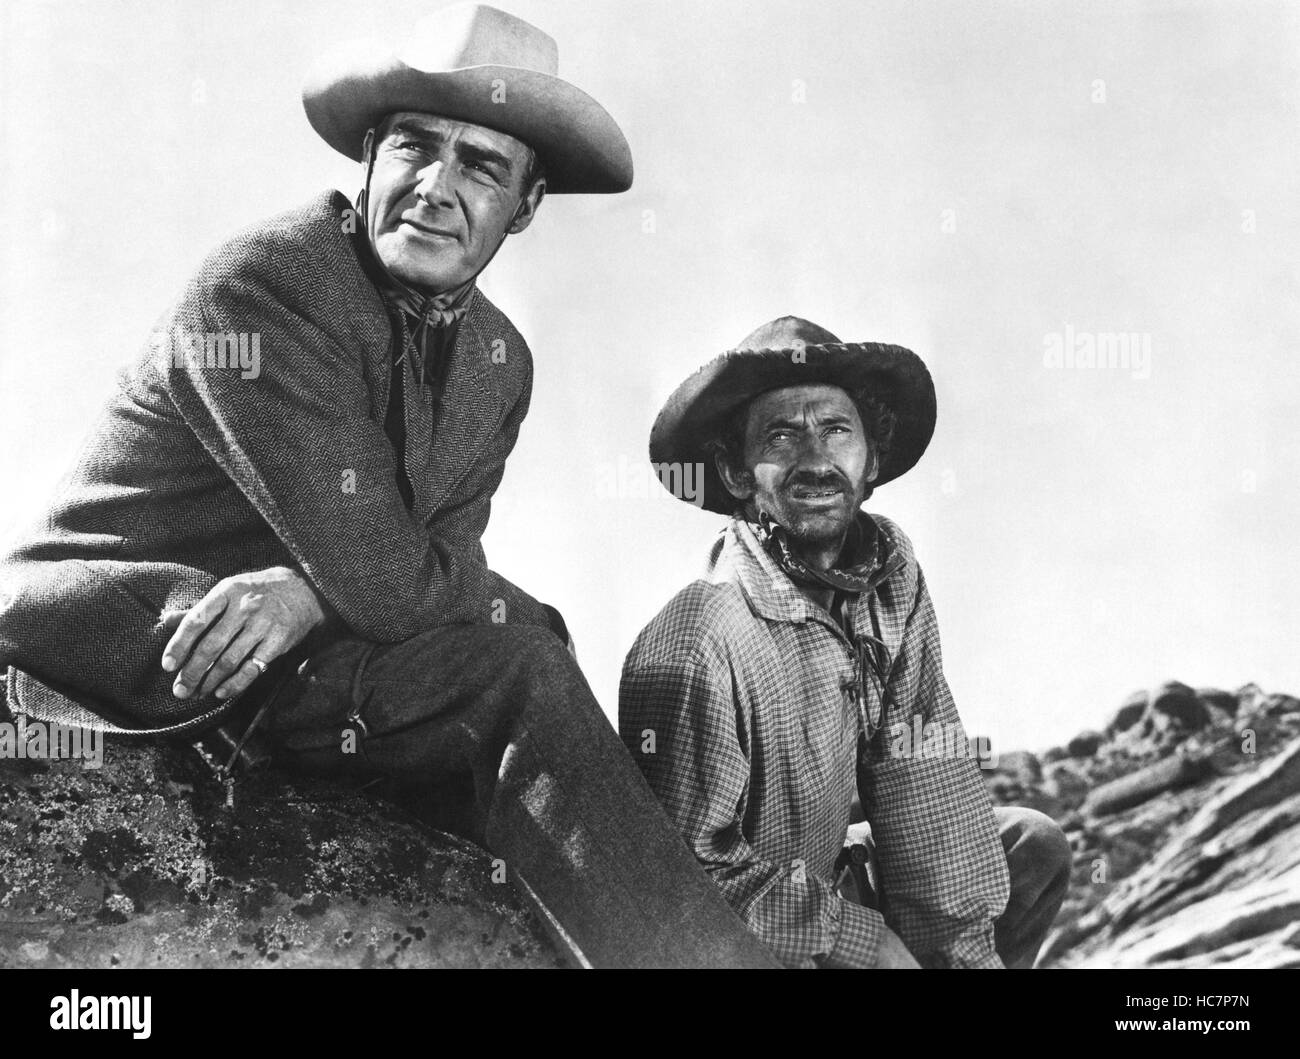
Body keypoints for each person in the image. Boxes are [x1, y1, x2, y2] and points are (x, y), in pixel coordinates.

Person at [0, 4, 778, 969]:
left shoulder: (501, 361)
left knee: (523, 656)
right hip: (139, 630)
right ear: (370, 156)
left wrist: (311, 592)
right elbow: (397, 581)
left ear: (526, 205)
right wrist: (379, 589)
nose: (437, 190)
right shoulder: (264, 286)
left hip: (296, 648)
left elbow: (433, 569)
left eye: (483, 167)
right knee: (521, 661)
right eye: (417, 147)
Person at [620, 316, 1072, 967]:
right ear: (737, 470)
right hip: (741, 934)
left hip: (833, 883)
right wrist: (863, 942)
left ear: (873, 457)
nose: (815, 458)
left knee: (1030, 847)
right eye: (781, 434)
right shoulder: (698, 642)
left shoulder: (892, 584)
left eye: (836, 429)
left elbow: (927, 789)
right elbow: (683, 884)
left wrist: (964, 959)